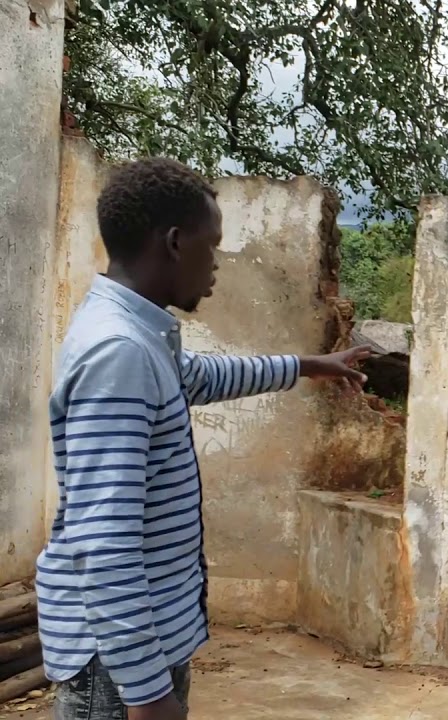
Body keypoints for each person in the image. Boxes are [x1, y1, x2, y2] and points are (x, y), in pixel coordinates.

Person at [35, 158, 372, 720]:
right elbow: (105, 543)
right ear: (173, 242)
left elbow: (202, 377)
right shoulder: (120, 352)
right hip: (116, 674)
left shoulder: (138, 336)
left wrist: (309, 364)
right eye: (210, 246)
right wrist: (147, 695)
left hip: (136, 652)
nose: (215, 265)